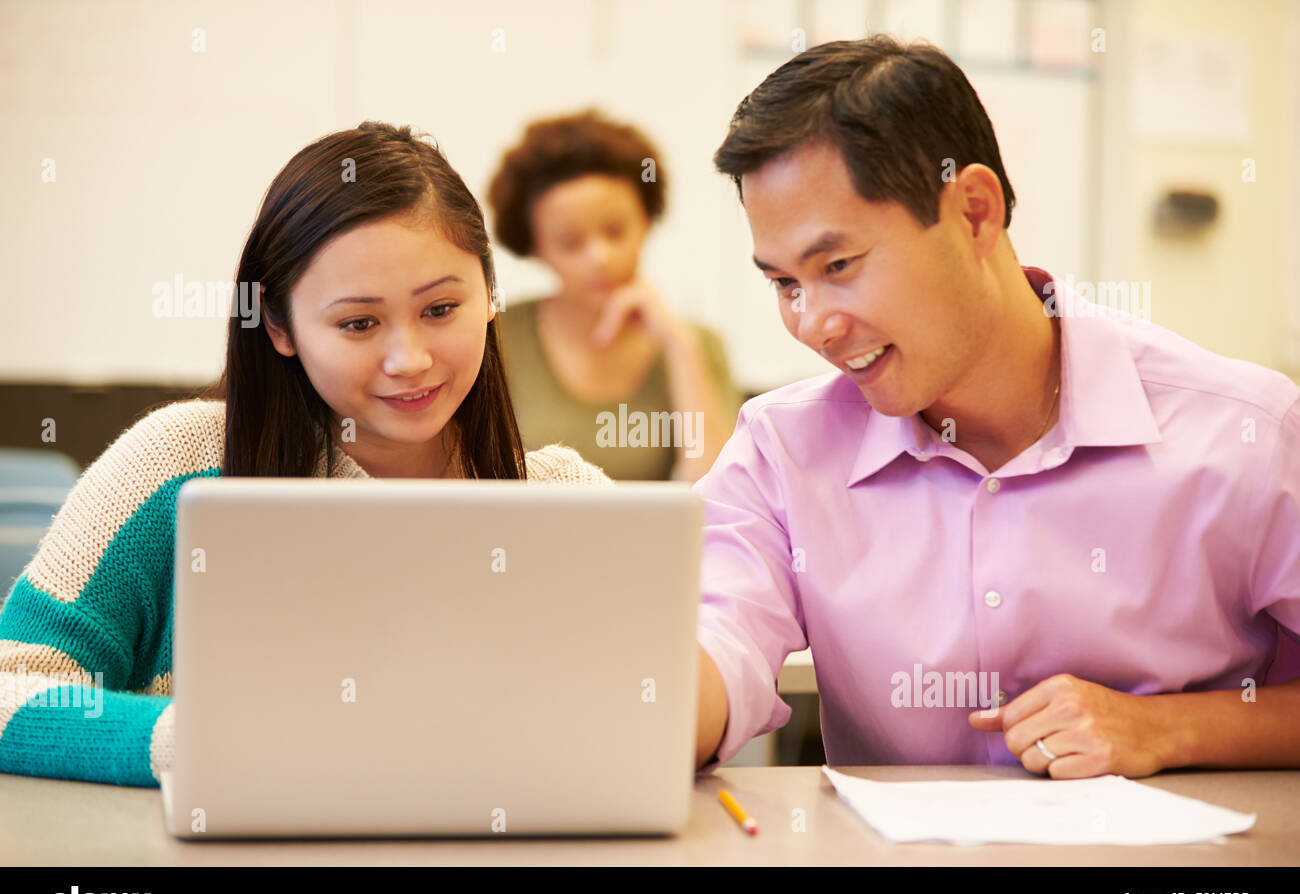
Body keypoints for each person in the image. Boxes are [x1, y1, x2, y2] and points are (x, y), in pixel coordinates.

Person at [691, 36, 1300, 779]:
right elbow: (717, 642)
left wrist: (1168, 728)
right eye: (785, 284)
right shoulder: (782, 453)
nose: (813, 323)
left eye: (838, 266)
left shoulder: (1246, 432)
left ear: (975, 211)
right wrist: (649, 699)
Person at [0, 122, 610, 788]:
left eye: (440, 308)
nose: (411, 359)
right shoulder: (176, 464)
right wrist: (200, 743)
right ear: (281, 326)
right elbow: (11, 687)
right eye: (358, 323)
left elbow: (663, 696)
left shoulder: (564, 497)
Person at [486, 110, 741, 481]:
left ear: (646, 222)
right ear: (535, 247)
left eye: (616, 231)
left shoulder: (695, 345)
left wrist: (679, 347)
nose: (599, 259)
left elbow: (717, 497)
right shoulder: (497, 338)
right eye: (570, 243)